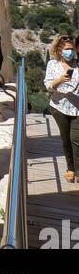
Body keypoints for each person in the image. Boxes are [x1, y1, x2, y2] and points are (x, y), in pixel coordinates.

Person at [45, 35, 79, 183]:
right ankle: (70, 168)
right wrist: (59, 80)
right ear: (59, 50)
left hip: (77, 108)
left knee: (76, 140)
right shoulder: (53, 64)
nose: (70, 52)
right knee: (66, 140)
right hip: (59, 108)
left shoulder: (78, 64)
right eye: (67, 49)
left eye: (72, 49)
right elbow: (48, 85)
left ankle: (78, 171)